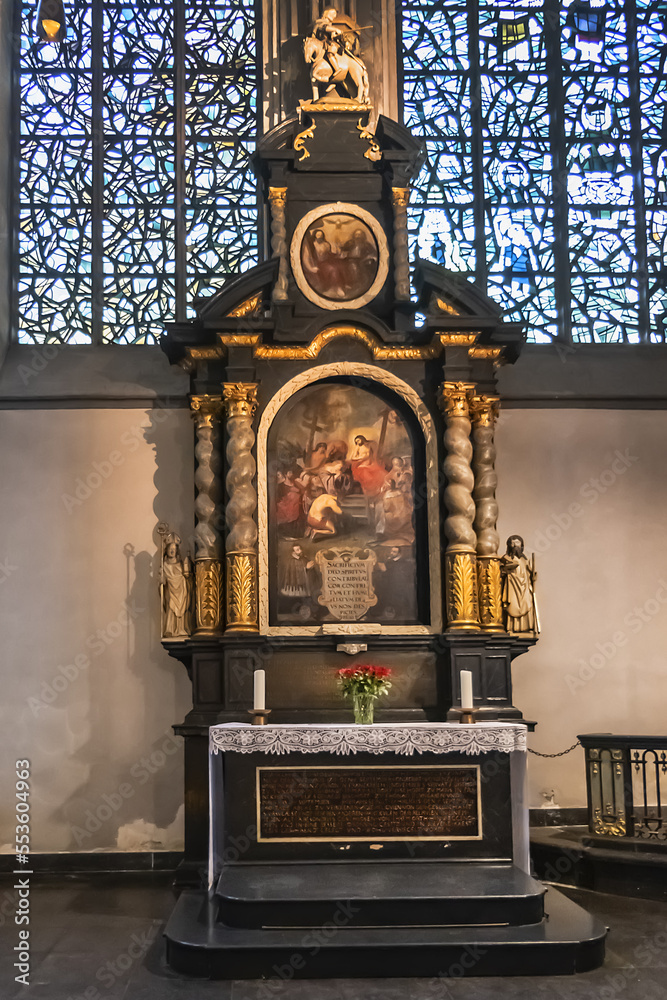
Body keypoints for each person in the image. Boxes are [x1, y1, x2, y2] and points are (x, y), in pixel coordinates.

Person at [500, 534, 538, 633]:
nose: (515, 546)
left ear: (521, 546)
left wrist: (533, 576)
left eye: (517, 544)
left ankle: (527, 627)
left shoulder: (525, 560)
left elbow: (530, 573)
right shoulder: (506, 558)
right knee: (512, 605)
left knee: (526, 603)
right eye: (513, 544)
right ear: (509, 546)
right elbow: (501, 571)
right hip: (512, 585)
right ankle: (511, 628)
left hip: (524, 586)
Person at [161, 534, 192, 638]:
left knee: (182, 610)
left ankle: (181, 629)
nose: (172, 551)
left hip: (181, 589)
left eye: (174, 549)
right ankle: (170, 629)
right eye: (170, 548)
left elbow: (187, 576)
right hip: (170, 590)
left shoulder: (181, 563)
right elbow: (162, 581)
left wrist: (187, 578)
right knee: (171, 606)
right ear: (166, 549)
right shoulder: (164, 564)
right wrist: (162, 581)